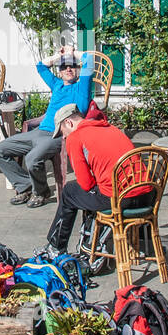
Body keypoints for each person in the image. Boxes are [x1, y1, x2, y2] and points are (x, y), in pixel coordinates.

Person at [0, 46, 93, 208]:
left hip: (59, 135)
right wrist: (58, 56)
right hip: (39, 131)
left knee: (32, 158)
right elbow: (41, 66)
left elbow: (89, 60)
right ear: (59, 71)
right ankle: (24, 186)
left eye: (72, 66)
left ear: (78, 69)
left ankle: (41, 192)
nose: (68, 69)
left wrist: (72, 53)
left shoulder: (82, 88)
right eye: (63, 66)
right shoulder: (57, 85)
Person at [43, 103, 150, 257]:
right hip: (147, 195)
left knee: (69, 192)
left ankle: (56, 246)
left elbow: (86, 184)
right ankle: (140, 242)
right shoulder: (110, 128)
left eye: (62, 132)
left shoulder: (75, 137)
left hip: (120, 198)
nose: (64, 137)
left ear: (69, 123)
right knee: (87, 190)